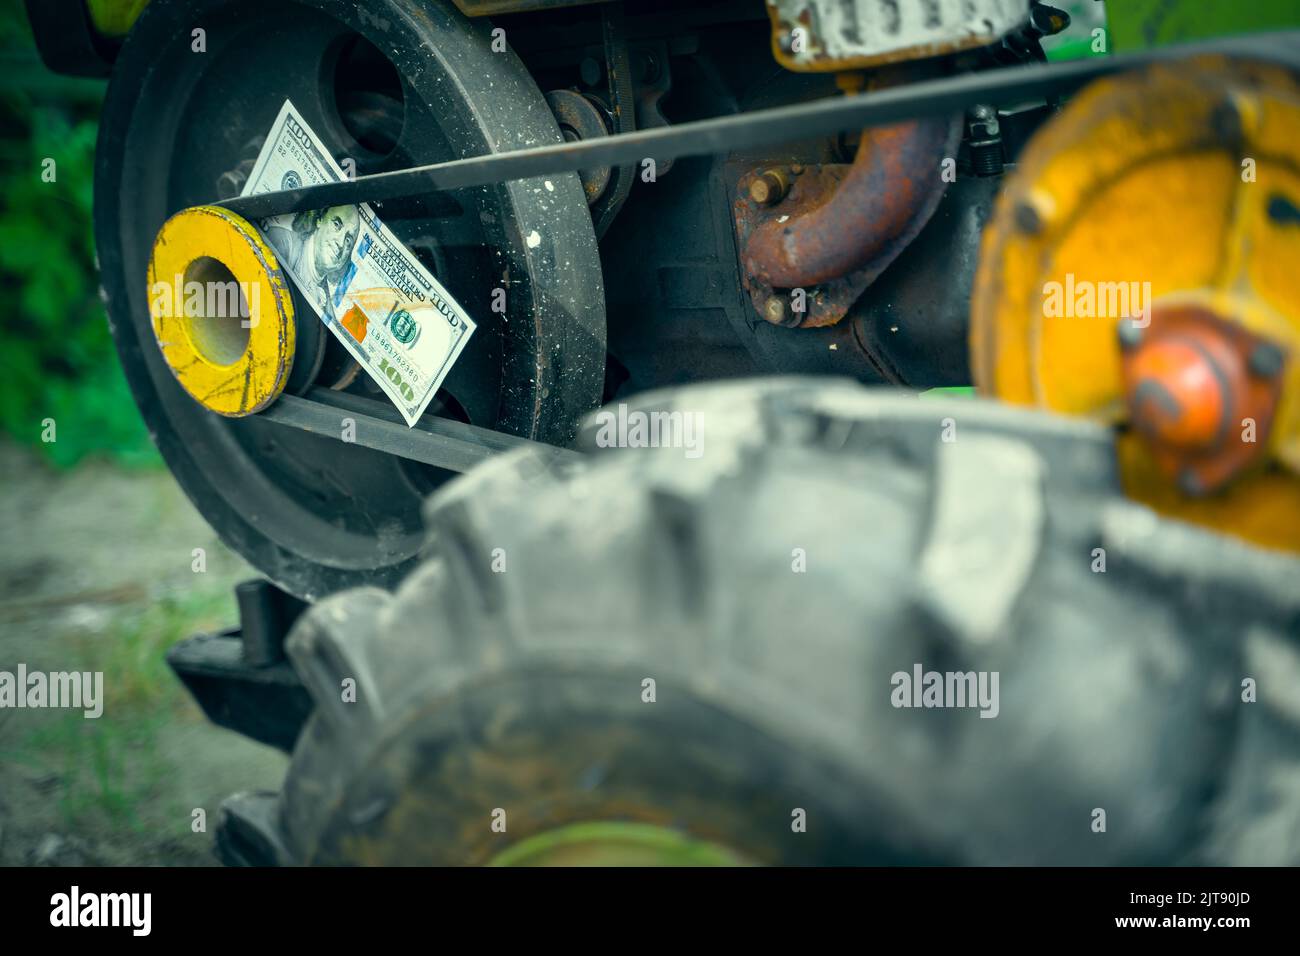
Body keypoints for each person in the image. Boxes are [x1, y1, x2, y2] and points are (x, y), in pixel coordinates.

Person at [264, 205, 360, 322]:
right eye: (336, 224)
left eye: (348, 240)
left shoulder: (328, 313)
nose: (340, 243)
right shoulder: (282, 243)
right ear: (320, 219)